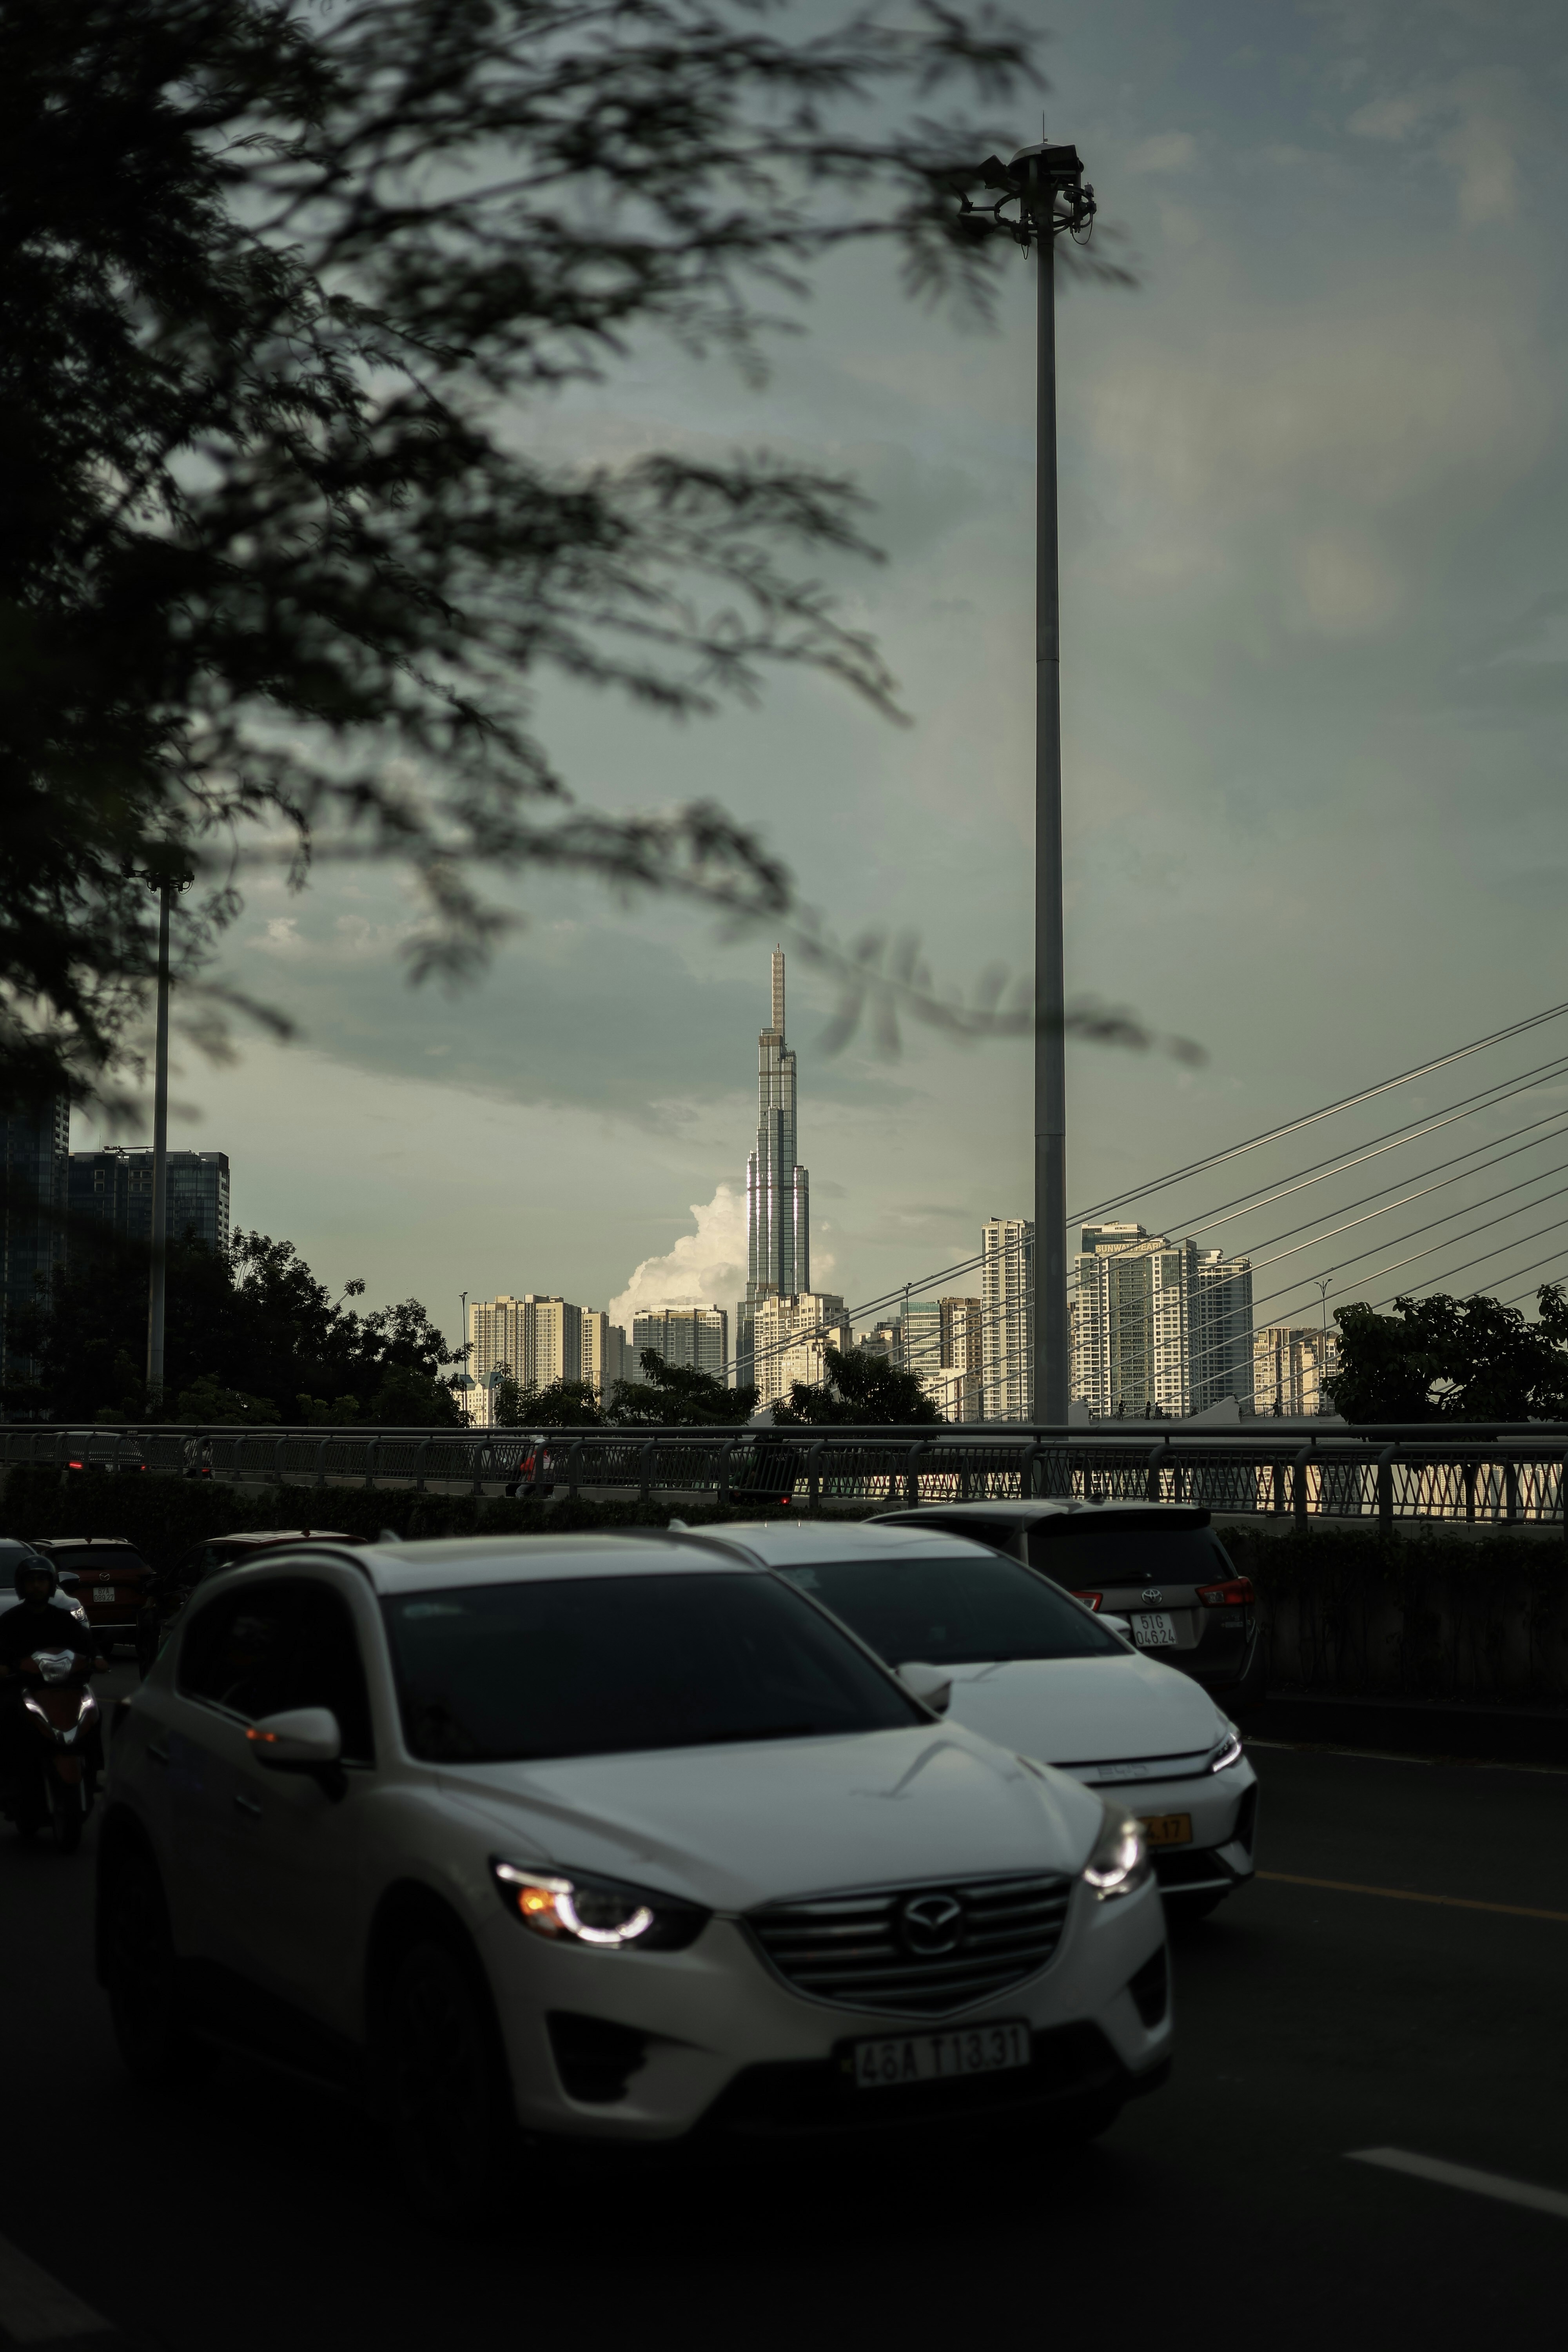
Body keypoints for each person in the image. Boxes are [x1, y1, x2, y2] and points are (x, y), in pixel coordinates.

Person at [0, 1563, 106, 1808]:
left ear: (50, 1584)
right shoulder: (10, 1621)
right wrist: (5, 1666)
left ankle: (97, 1769)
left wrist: (98, 1658)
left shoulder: (63, 1619)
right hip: (23, 1687)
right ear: (22, 1586)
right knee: (5, 1712)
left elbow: (86, 1642)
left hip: (64, 1687)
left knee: (91, 1710)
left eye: (41, 1579)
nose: (36, 1585)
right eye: (31, 1580)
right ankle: (9, 1780)